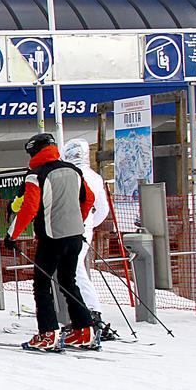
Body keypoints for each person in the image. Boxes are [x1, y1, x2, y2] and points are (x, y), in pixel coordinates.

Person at [3, 133, 97, 351]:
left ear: (34, 151)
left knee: (42, 286)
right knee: (68, 282)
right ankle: (84, 329)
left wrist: (12, 235)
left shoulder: (35, 175)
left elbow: (29, 208)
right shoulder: (73, 170)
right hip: (75, 235)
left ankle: (48, 333)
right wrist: (78, 222)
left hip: (51, 237)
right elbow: (89, 199)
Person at [63, 139, 115, 339]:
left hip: (71, 228)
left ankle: (91, 313)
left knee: (74, 270)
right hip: (85, 227)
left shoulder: (70, 175)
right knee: (74, 269)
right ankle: (85, 313)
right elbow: (102, 209)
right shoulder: (95, 176)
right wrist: (90, 223)